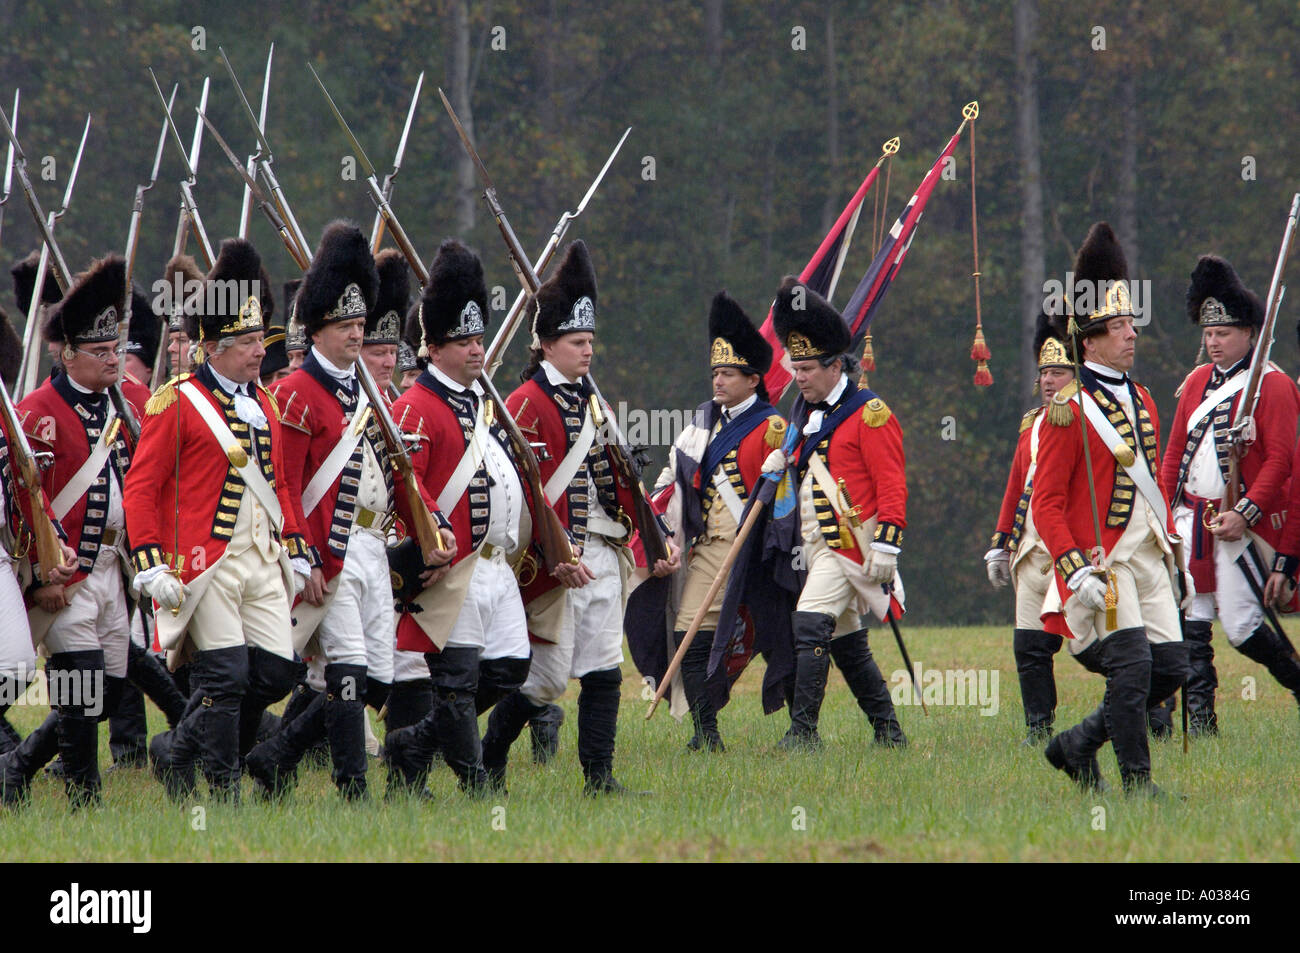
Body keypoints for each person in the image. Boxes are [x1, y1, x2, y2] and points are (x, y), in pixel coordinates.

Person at [483, 240, 678, 795]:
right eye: (576, 342)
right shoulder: (523, 403)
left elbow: (625, 481)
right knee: (543, 681)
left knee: (602, 672)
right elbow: (518, 492)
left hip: (605, 554)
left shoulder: (594, 404)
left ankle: (599, 777)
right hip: (558, 559)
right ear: (547, 345)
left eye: (590, 341)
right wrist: (553, 553)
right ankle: (487, 760)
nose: (588, 351)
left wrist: (654, 540)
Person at [124, 237, 308, 802]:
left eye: (260, 340)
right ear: (215, 347)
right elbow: (142, 486)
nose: (260, 352)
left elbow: (282, 486)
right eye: (248, 342)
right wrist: (151, 561)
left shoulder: (269, 405)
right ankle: (223, 783)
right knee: (225, 675)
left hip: (262, 558)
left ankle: (179, 751)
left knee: (277, 671)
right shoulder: (175, 403)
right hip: (206, 562)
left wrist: (297, 546)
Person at [246, 224, 402, 800]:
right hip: (324, 551)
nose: (357, 336)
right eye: (347, 327)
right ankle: (352, 786)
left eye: (362, 326)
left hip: (371, 547)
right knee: (348, 668)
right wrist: (302, 554)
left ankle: (276, 755)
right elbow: (283, 483)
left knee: (377, 675)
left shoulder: (365, 393)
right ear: (317, 331)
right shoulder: (294, 393)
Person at [1035, 223, 1190, 796]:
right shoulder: (1068, 410)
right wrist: (1075, 569)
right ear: (1090, 342)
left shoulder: (1144, 396)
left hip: (1147, 555)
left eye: (1130, 324)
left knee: (1171, 667)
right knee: (1131, 671)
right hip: (1101, 564)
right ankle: (1139, 786)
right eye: (1119, 327)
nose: (1131, 335)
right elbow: (1047, 502)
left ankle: (1076, 745)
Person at [1, 254, 150, 808]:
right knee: (80, 683)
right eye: (102, 352)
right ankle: (84, 798)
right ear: (68, 354)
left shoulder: (131, 402)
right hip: (67, 572)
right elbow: (28, 504)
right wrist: (43, 573)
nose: (116, 360)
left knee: (103, 692)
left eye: (117, 349)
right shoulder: (36, 412)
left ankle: (16, 766)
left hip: (115, 567)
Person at [765, 277, 907, 751]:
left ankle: (803, 733)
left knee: (808, 622)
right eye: (795, 368)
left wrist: (888, 543)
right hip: (821, 543)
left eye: (806, 369)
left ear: (834, 366)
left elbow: (892, 485)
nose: (798, 377)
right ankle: (888, 732)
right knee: (846, 641)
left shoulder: (871, 413)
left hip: (854, 544)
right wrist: (782, 464)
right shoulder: (805, 418)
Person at [648, 290, 785, 752]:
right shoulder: (701, 424)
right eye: (715, 373)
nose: (718, 381)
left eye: (728, 373)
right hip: (708, 551)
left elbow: (785, 501)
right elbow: (674, 478)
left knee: (788, 640)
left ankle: (806, 729)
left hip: (752, 549)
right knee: (688, 633)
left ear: (752, 379)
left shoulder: (771, 427)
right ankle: (706, 734)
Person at [985, 313, 1075, 744]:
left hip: (1075, 551)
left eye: (1058, 371)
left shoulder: (1089, 418)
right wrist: (1001, 544)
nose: (1048, 379)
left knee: (1101, 649)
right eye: (1043, 371)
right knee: (1029, 647)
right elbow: (1015, 487)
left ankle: (1152, 713)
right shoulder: (1032, 422)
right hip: (1030, 550)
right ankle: (1039, 729)